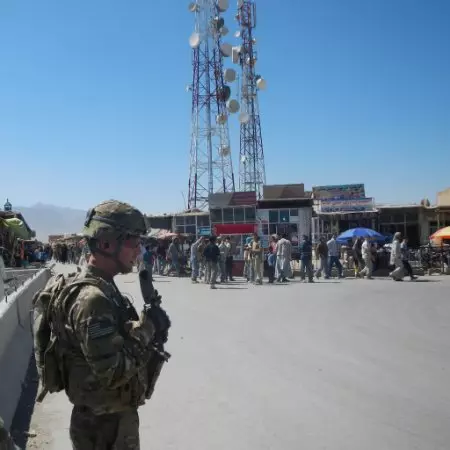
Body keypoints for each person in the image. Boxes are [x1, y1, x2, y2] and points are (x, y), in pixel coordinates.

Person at [35, 200, 171, 449]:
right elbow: (114, 372)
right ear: (107, 243)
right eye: (133, 241)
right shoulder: (92, 299)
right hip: (106, 427)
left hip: (107, 419)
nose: (138, 250)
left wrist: (142, 326)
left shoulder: (102, 287)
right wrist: (148, 327)